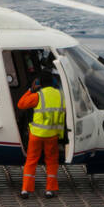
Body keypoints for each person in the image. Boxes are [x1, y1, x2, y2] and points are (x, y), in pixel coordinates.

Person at [17, 68, 65, 198]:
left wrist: (30, 90)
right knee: (51, 161)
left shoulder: (38, 96)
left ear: (39, 82)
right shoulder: (61, 95)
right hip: (52, 135)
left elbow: (21, 104)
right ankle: (50, 190)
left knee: (31, 160)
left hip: (36, 134)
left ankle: (25, 190)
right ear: (53, 81)